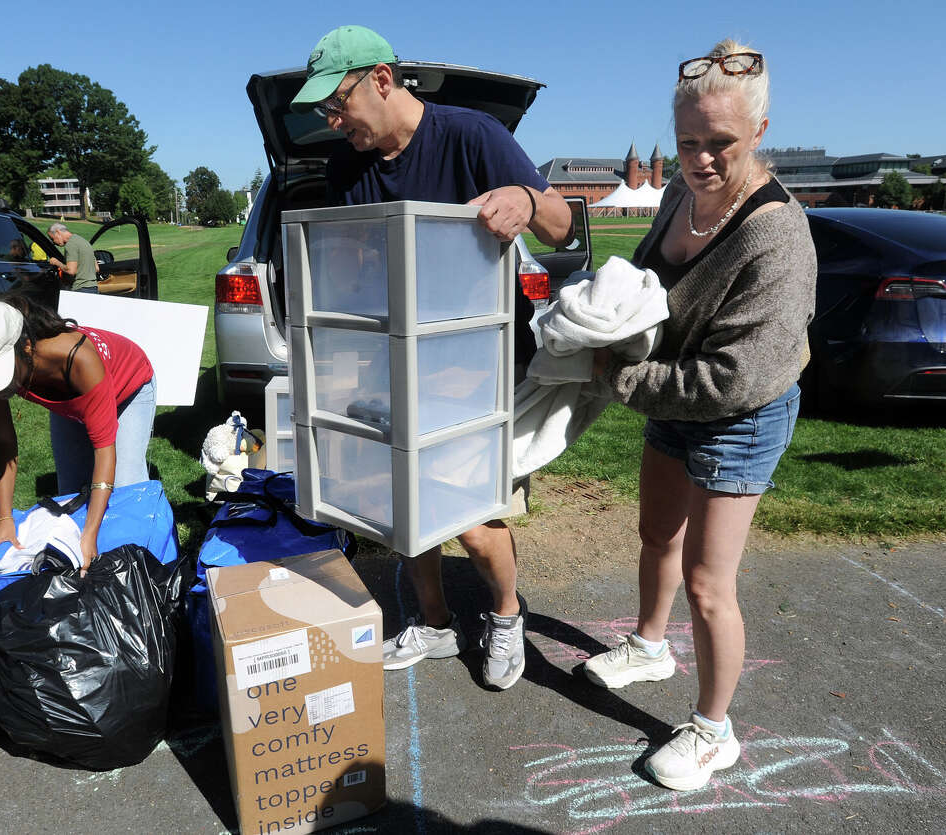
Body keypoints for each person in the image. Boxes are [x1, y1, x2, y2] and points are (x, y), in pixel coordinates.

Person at [290, 26, 573, 691]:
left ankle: (506, 616)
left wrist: (527, 201)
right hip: (394, 358)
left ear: (381, 80)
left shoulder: (471, 136)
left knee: (473, 519)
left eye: (337, 105)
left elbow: (561, 224)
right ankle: (438, 623)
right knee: (401, 506)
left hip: (476, 365)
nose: (332, 122)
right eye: (324, 112)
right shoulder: (346, 168)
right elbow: (356, 273)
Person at [581, 40, 816, 791]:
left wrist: (625, 376)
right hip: (675, 389)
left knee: (710, 583)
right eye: (688, 143)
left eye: (721, 143)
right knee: (657, 534)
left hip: (740, 411)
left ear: (759, 131)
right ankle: (651, 645)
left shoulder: (776, 232)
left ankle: (715, 730)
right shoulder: (680, 194)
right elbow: (646, 276)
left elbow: (734, 377)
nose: (702, 159)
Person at [0, 289, 157, 572]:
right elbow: (3, 440)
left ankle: (144, 571)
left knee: (127, 491)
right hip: (70, 400)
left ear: (27, 347)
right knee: (69, 499)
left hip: (128, 386)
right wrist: (3, 520)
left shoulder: (77, 359)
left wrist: (90, 535)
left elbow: (104, 449)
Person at [46, 223, 98, 293]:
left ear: (58, 232)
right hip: (93, 288)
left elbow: (71, 271)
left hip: (80, 289)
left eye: (52, 238)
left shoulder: (70, 244)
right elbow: (97, 268)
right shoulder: (84, 242)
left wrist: (56, 262)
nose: (53, 242)